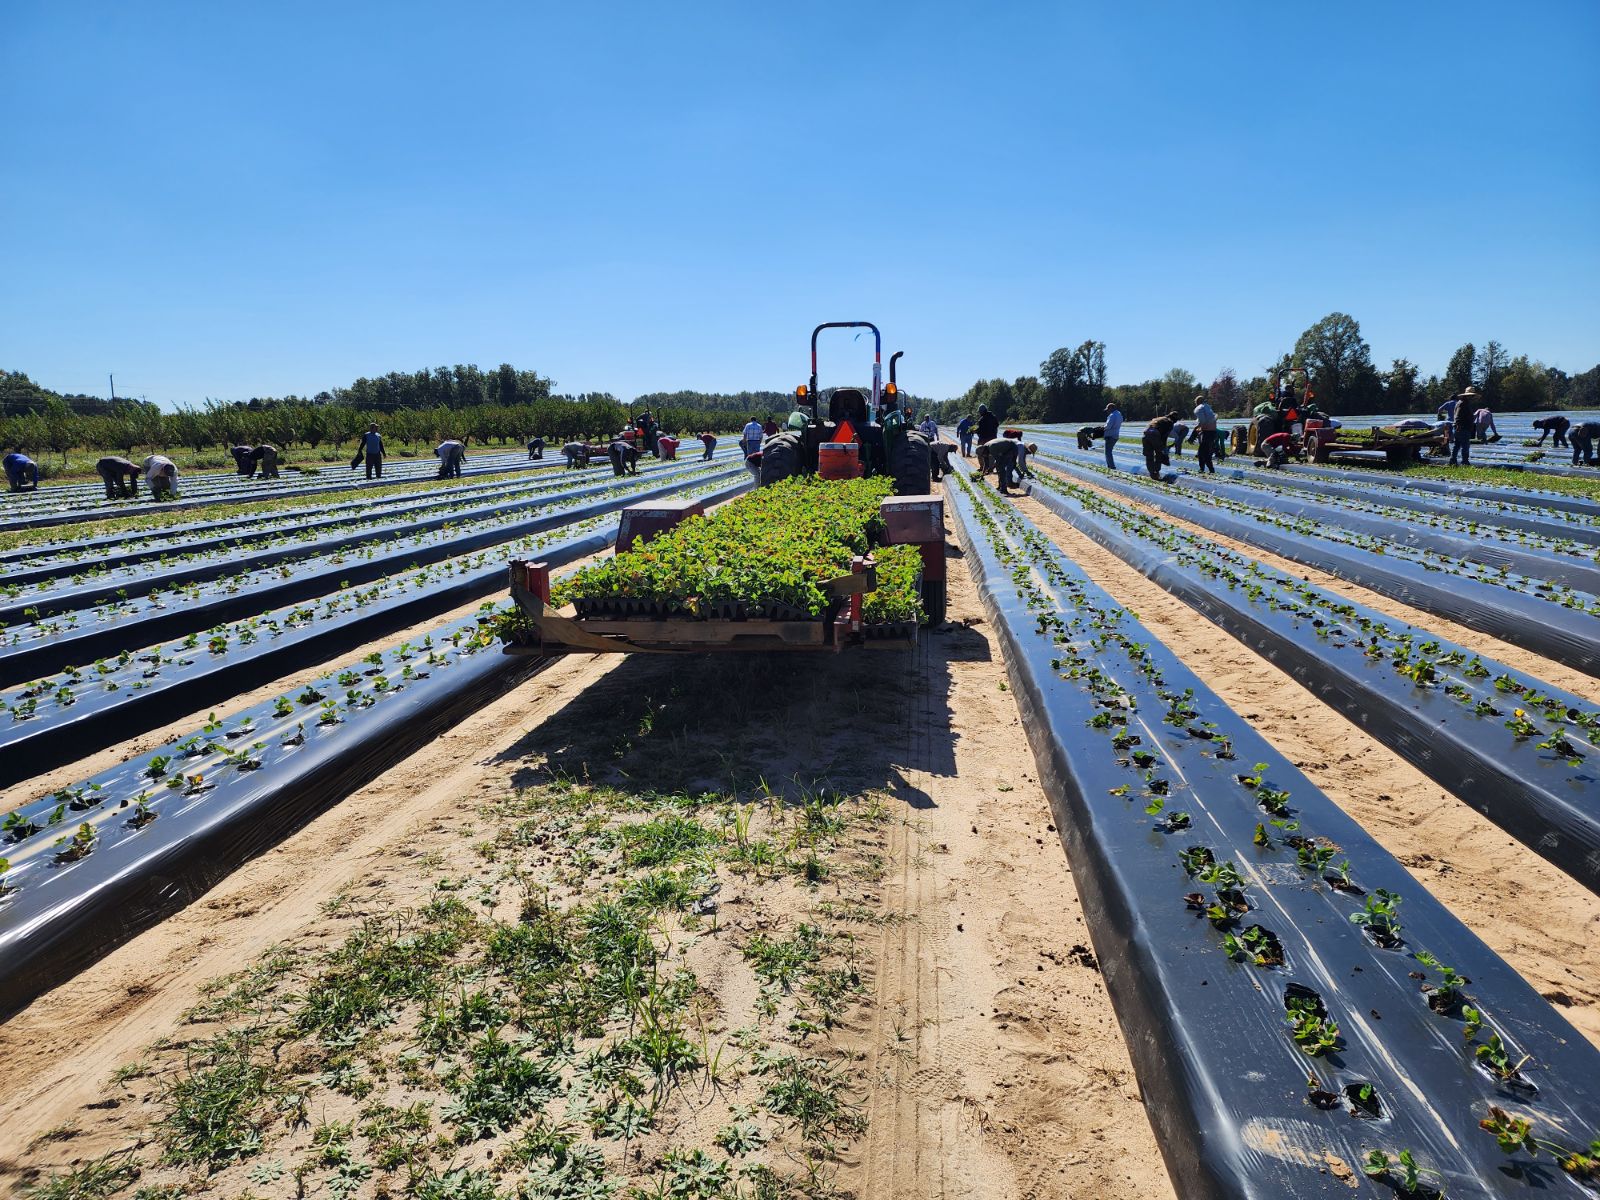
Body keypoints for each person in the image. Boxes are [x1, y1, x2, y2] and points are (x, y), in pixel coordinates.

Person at [1142, 414, 1175, 479]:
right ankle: (1156, 472)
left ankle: (1152, 473)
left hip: (1145, 433)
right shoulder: (1169, 422)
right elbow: (1164, 437)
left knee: (1149, 455)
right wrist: (1164, 449)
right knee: (1159, 454)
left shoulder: (1157, 419)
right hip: (1154, 433)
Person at [1192, 395, 1219, 475]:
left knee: (1201, 453)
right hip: (1212, 432)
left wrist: (1197, 428)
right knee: (1206, 452)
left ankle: (1204, 469)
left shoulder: (1198, 409)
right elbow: (1214, 417)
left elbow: (1202, 422)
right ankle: (1209, 469)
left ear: (1197, 402)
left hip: (1207, 433)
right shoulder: (1208, 407)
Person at [1103, 401, 1123, 470]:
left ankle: (1111, 467)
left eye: (1108, 409)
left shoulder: (1112, 415)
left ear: (1111, 408)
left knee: (1108, 452)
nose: (1107, 411)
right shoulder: (1119, 414)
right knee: (1109, 451)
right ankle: (1110, 466)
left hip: (1110, 436)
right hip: (1115, 435)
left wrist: (1103, 428)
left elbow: (1108, 426)